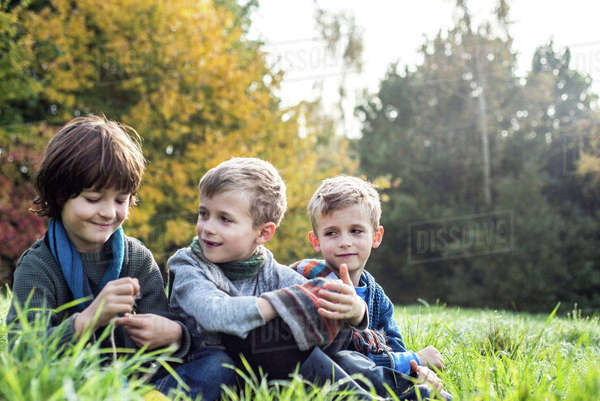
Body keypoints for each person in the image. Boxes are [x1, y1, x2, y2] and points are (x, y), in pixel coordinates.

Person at [4, 115, 207, 398]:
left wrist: (173, 334)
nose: (109, 212)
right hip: (71, 386)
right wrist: (89, 319)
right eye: (92, 199)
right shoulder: (38, 265)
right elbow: (22, 351)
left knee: (215, 367)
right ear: (58, 196)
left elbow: (169, 349)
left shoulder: (138, 259)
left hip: (142, 386)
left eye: (121, 200)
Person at [168, 157, 377, 399]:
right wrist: (281, 304)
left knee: (342, 358)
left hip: (262, 375)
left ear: (263, 233)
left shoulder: (274, 273)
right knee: (219, 364)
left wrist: (355, 311)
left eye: (224, 219)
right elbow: (215, 313)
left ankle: (404, 389)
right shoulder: (187, 264)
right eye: (204, 214)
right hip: (202, 367)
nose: (208, 228)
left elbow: (323, 324)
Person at [293, 175, 449, 398]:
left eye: (356, 231)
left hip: (365, 374)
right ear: (315, 240)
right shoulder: (311, 281)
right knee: (346, 360)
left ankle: (417, 391)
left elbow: (394, 349)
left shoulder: (376, 296)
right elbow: (335, 352)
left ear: (376, 236)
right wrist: (415, 358)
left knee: (411, 379)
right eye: (331, 233)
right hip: (324, 372)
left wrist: (418, 369)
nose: (345, 241)